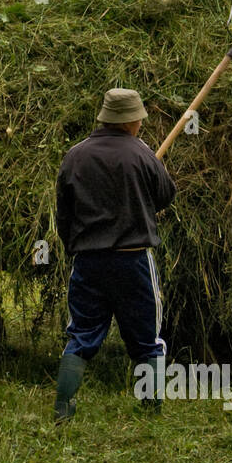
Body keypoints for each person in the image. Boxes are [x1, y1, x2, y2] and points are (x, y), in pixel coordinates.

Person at [53, 87, 176, 421]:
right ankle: (151, 410)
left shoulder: (75, 155)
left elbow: (63, 212)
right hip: (133, 261)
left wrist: (72, 247)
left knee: (81, 334)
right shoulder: (142, 154)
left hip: (88, 262)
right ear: (131, 120)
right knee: (146, 339)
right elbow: (165, 195)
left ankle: (63, 409)